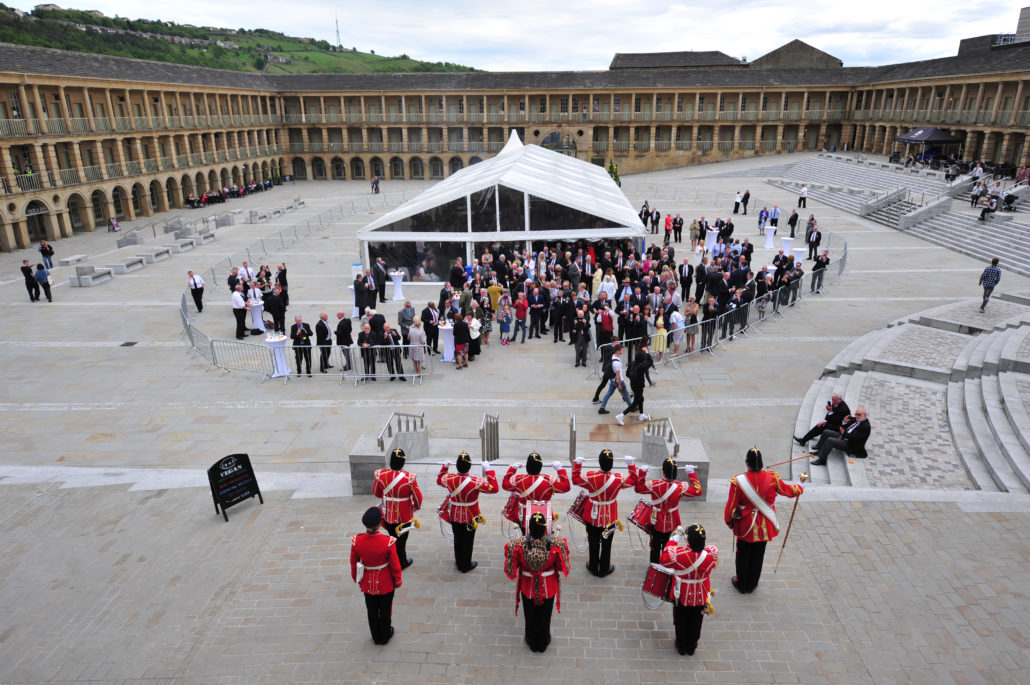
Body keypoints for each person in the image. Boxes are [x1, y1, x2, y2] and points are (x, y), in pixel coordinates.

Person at [724, 447, 804, 593]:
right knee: (758, 554)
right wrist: (800, 486)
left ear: (747, 463)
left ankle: (741, 584)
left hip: (745, 525)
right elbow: (788, 491)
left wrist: (730, 523)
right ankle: (752, 583)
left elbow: (730, 509)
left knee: (743, 554)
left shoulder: (738, 481)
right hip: (765, 524)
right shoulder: (773, 477)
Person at [503, 511, 570, 653]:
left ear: (529, 528)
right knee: (545, 615)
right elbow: (563, 567)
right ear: (545, 528)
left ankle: (531, 640)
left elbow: (510, 571)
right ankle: (543, 641)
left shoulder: (516, 544)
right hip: (548, 586)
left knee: (530, 614)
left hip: (528, 585)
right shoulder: (558, 544)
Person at [572, 450, 637, 577]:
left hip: (592, 515)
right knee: (607, 543)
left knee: (593, 541)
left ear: (599, 462)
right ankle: (604, 568)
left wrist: (578, 465)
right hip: (610, 516)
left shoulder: (591, 477)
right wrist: (631, 465)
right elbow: (633, 479)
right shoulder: (618, 478)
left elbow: (575, 479)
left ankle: (593, 566)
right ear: (612, 464)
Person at [660, 524, 719, 656]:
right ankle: (692, 646)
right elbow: (712, 558)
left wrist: (674, 539)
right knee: (697, 621)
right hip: (701, 595)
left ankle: (681, 646)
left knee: (681, 620)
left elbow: (664, 559)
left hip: (682, 594)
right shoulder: (710, 555)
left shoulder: (679, 554)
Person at [438, 451, 499, 573]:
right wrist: (488, 470)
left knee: (457, 538)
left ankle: (459, 562)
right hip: (471, 516)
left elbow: (439, 480)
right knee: (468, 540)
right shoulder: (476, 482)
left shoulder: (449, 479)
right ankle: (466, 565)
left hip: (455, 515)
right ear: (469, 467)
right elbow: (494, 488)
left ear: (457, 466)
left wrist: (445, 467)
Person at [350, 506, 403, 645]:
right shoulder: (388, 542)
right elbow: (395, 565)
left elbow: (353, 563)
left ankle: (376, 636)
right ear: (380, 524)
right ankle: (385, 636)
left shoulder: (357, 541)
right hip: (386, 582)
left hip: (367, 582)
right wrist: (398, 580)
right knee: (385, 610)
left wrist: (356, 577)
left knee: (372, 611)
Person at [634, 457, 702, 563]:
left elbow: (638, 488)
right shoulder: (680, 487)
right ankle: (666, 565)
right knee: (669, 546)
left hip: (656, 520)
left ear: (663, 471)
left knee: (655, 545)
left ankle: (654, 566)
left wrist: (642, 473)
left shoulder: (654, 485)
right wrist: (691, 473)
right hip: (673, 520)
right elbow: (698, 491)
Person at [372, 448, 423, 569]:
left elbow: (376, 493)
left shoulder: (381, 475)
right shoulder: (409, 478)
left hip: (388, 515)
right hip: (404, 516)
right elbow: (418, 498)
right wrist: (415, 507)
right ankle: (402, 562)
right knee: (402, 541)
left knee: (392, 538)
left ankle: (393, 559)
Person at [501, 452, 571, 534]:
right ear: (540, 467)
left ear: (527, 466)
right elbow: (566, 487)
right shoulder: (549, 481)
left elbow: (505, 485)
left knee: (525, 535)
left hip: (525, 518)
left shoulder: (518, 480)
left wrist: (512, 469)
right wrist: (560, 469)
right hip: (544, 516)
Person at [807, 409, 871, 465]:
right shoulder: (858, 419)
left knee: (830, 440)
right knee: (826, 432)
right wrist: (844, 422)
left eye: (859, 414)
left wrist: (843, 433)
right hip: (845, 437)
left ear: (864, 415)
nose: (856, 416)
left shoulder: (866, 426)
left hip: (850, 444)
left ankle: (822, 460)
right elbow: (846, 427)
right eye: (856, 414)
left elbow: (854, 437)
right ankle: (819, 449)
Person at [617, 343, 654, 425]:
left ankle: (641, 414)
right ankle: (621, 415)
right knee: (635, 402)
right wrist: (647, 352)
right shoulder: (642, 366)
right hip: (639, 386)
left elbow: (627, 374)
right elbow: (651, 361)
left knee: (641, 399)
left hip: (633, 385)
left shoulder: (632, 363)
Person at [598, 344, 632, 417]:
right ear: (617, 351)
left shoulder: (613, 356)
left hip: (612, 380)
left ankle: (602, 408)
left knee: (609, 393)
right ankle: (632, 407)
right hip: (618, 381)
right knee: (626, 394)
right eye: (622, 350)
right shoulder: (616, 363)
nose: (623, 351)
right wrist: (619, 384)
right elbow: (618, 375)